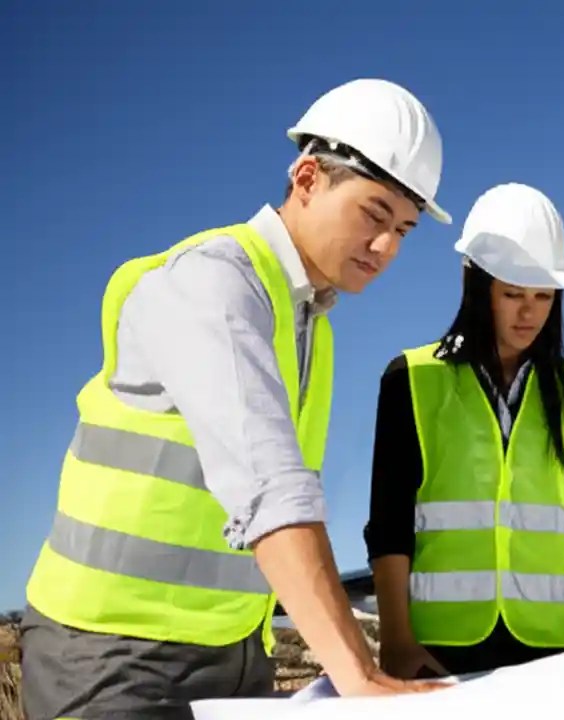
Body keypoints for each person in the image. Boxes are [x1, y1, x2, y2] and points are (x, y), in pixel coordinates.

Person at [18, 78, 454, 719]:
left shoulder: (311, 322)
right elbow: (270, 488)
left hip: (233, 649)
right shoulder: (213, 284)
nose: (387, 248)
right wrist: (359, 677)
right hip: (110, 655)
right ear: (307, 178)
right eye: (373, 215)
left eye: (406, 231)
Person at [364, 182, 564, 680]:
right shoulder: (411, 379)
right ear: (475, 285)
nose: (530, 313)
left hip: (549, 641)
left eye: (544, 296)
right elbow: (390, 526)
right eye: (513, 294)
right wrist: (396, 639)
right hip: (441, 647)